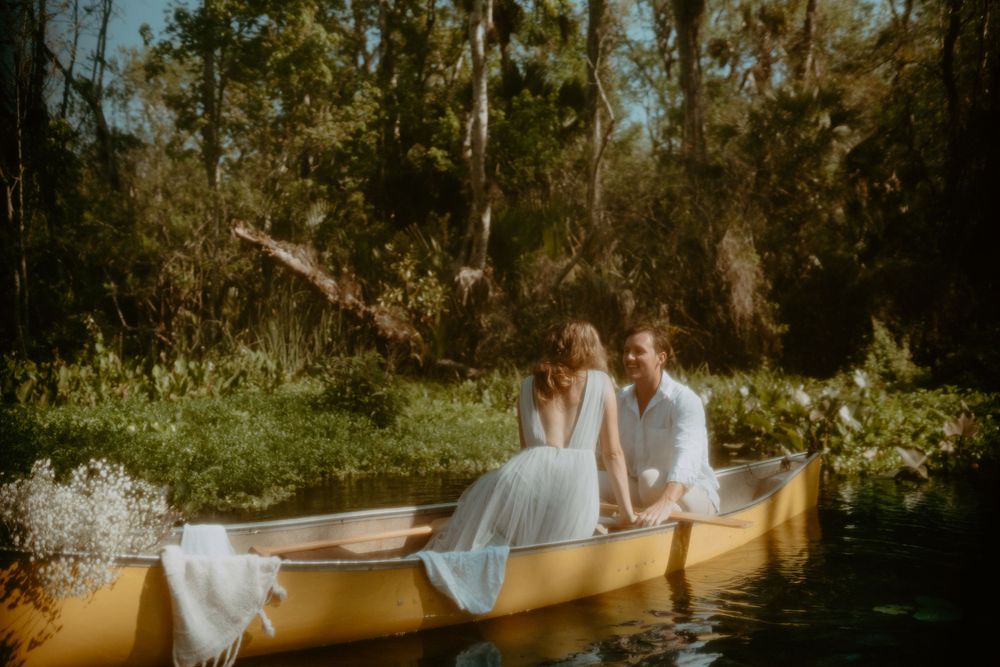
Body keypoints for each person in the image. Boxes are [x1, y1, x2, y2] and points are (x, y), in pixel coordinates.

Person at [425, 321, 636, 552]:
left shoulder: (527, 385)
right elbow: (612, 452)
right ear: (589, 348)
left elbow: (525, 452)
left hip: (526, 485)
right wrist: (626, 512)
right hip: (575, 492)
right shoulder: (601, 381)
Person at [598, 322, 720, 527]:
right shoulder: (619, 400)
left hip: (688, 495)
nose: (629, 358)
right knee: (593, 480)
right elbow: (601, 451)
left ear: (660, 358)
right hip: (640, 491)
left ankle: (657, 519)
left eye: (638, 352)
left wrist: (666, 501)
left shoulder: (684, 400)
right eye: (626, 351)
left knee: (649, 479)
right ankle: (631, 520)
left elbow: (688, 460)